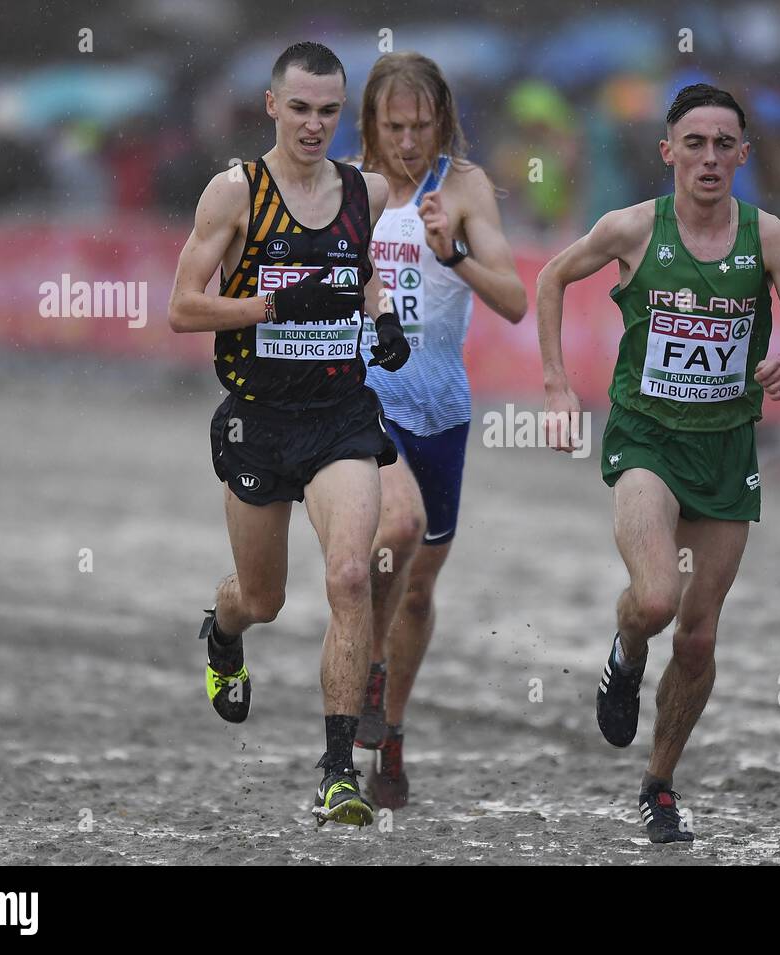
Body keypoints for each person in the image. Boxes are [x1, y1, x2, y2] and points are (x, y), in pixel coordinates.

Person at [538, 84, 780, 844]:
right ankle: (626, 647)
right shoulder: (632, 228)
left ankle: (660, 784)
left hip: (727, 450)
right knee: (656, 599)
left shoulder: (769, 238)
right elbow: (550, 279)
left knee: (699, 639)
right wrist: (556, 385)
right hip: (646, 440)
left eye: (724, 144)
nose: (709, 157)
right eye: (694, 143)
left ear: (744, 154)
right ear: (668, 150)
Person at [167, 41, 411, 830]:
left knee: (348, 574)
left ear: (346, 113)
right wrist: (272, 308)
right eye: (300, 108)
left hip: (341, 415)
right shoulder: (234, 193)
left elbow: (362, 266)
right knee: (263, 598)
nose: (315, 124)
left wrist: (384, 318)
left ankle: (338, 774)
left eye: (330, 111)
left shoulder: (365, 188)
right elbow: (183, 307)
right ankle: (223, 629)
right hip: (259, 420)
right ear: (271, 105)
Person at [351, 52, 527, 809]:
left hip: (442, 410)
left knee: (418, 590)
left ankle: (390, 730)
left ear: (443, 120)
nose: (408, 142)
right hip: (366, 399)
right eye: (394, 127)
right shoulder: (347, 188)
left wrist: (451, 252)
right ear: (371, 124)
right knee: (396, 527)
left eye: (422, 126)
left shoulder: (464, 187)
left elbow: (515, 299)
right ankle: (366, 670)